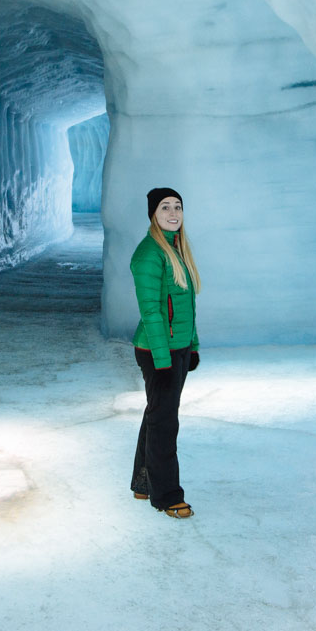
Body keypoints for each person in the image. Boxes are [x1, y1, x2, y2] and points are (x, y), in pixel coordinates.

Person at [129, 187, 201, 518]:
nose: (173, 213)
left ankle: (144, 483)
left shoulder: (177, 250)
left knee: (157, 414)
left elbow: (187, 305)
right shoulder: (149, 254)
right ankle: (167, 495)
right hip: (159, 351)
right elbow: (152, 312)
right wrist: (162, 360)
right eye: (165, 208)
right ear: (153, 215)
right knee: (164, 423)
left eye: (178, 207)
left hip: (178, 348)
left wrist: (193, 345)